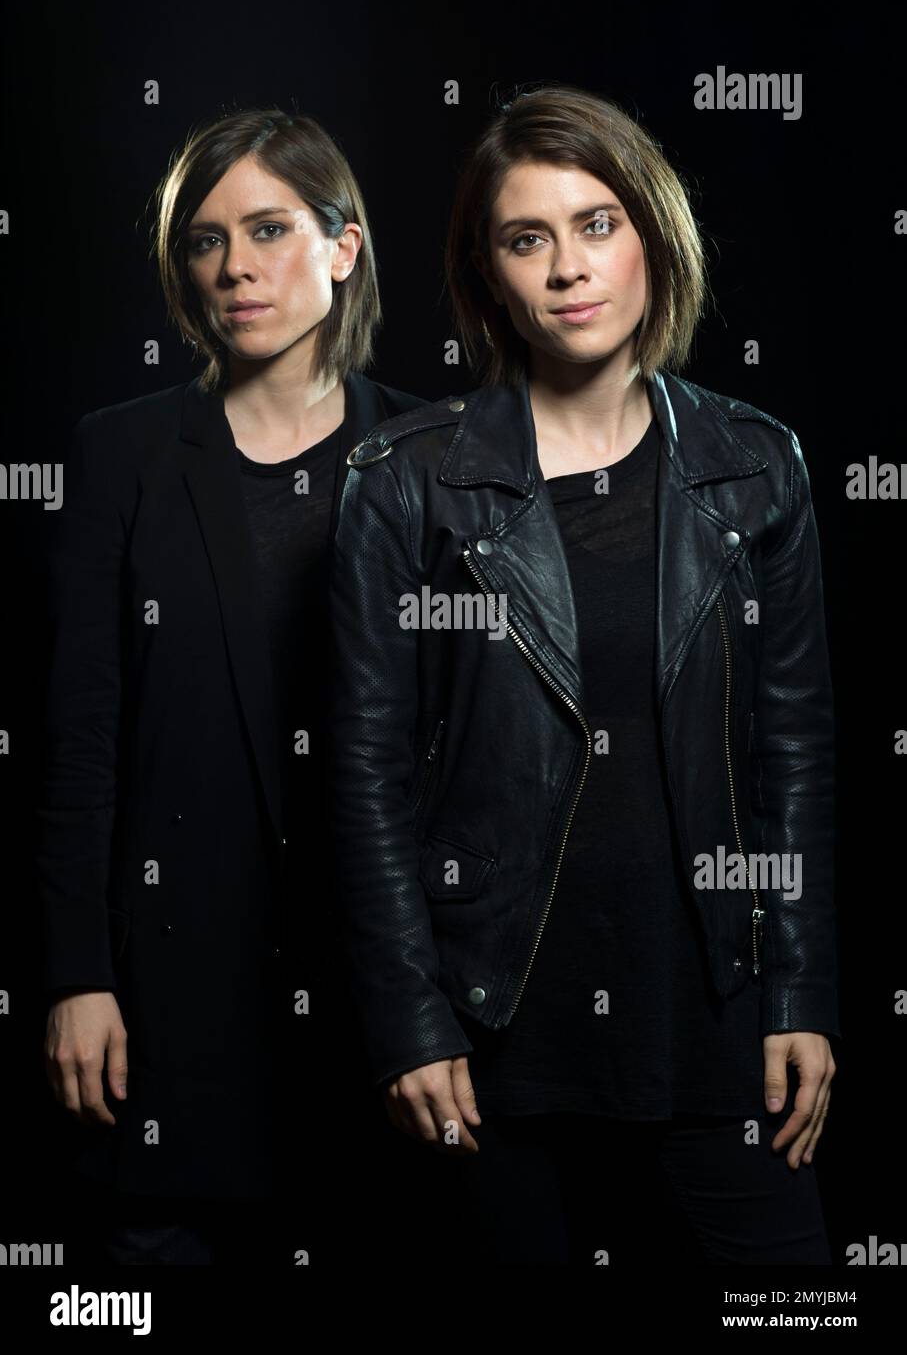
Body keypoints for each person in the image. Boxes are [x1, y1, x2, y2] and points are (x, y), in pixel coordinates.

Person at [328, 83, 840, 1264]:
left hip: (712, 1021)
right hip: (494, 1036)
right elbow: (362, 777)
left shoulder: (755, 465)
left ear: (653, 234)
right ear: (489, 271)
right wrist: (409, 1021)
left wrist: (801, 988)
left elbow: (795, 749)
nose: (568, 267)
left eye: (597, 223)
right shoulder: (404, 482)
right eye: (527, 238)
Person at [37, 107, 426, 1265]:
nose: (235, 266)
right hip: (171, 998)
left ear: (341, 246)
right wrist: (76, 975)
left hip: (375, 1009)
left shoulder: (430, 453)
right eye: (205, 241)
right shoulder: (124, 454)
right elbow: (80, 741)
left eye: (267, 229)